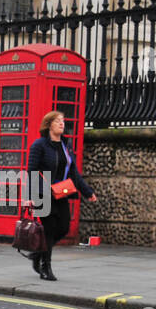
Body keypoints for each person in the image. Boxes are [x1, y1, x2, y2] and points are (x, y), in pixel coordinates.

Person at [27, 110, 96, 281]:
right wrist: (30, 195)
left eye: (63, 121)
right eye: (58, 121)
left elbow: (74, 172)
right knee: (49, 230)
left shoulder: (66, 146)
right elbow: (31, 171)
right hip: (43, 193)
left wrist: (88, 192)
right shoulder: (39, 145)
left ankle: (37, 253)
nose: (62, 124)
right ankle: (45, 267)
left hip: (61, 192)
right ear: (49, 124)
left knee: (64, 227)